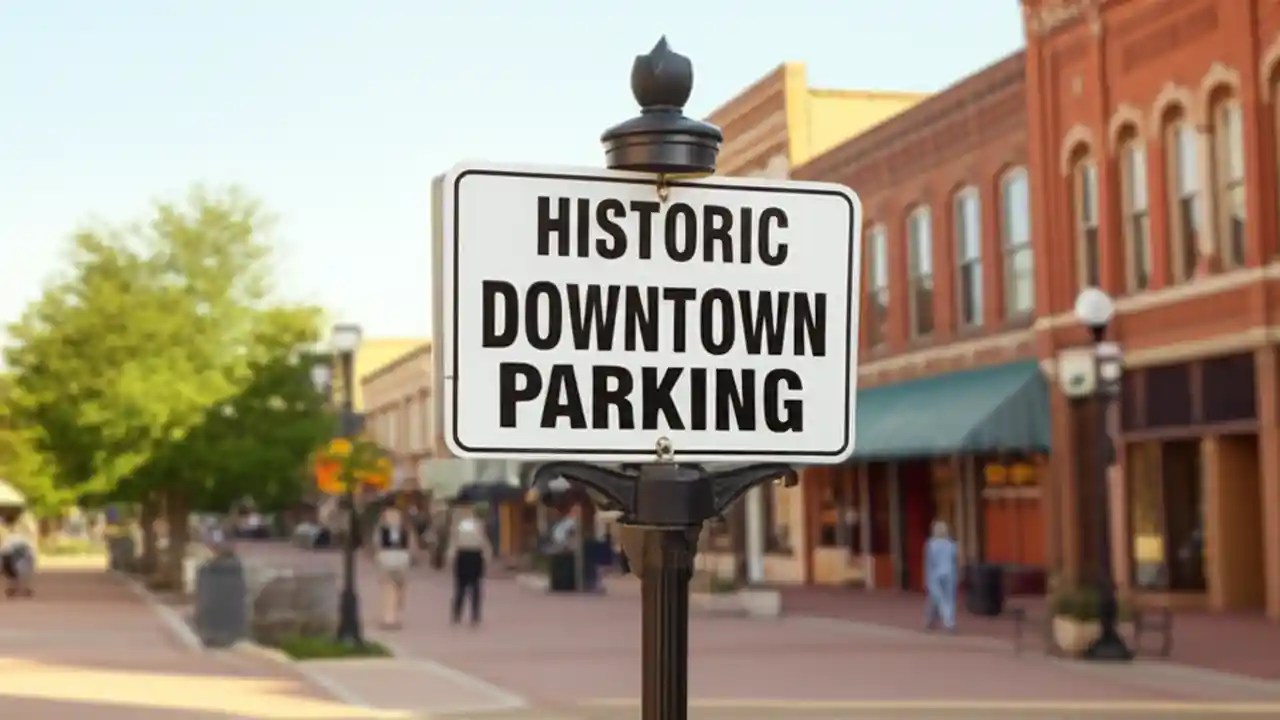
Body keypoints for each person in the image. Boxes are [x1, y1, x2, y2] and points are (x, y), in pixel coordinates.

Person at [447, 503, 492, 626]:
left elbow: (483, 540)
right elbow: (453, 541)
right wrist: (451, 555)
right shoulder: (458, 525)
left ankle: (474, 614)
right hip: (464, 554)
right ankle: (458, 613)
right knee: (461, 587)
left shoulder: (477, 524)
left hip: (474, 554)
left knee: (475, 586)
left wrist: (487, 554)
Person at [374, 505, 414, 629]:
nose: (392, 518)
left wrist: (410, 556)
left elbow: (411, 544)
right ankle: (389, 618)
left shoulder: (405, 529)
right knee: (388, 587)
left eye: (395, 515)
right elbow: (377, 544)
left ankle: (394, 613)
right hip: (387, 557)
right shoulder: (381, 530)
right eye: (389, 515)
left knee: (400, 588)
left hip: (401, 557)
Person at [924, 519, 959, 632]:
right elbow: (954, 561)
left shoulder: (931, 545)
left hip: (935, 574)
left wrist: (927, 579)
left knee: (939, 598)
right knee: (948, 599)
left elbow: (929, 563)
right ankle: (932, 620)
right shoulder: (952, 545)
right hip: (950, 574)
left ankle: (948, 622)